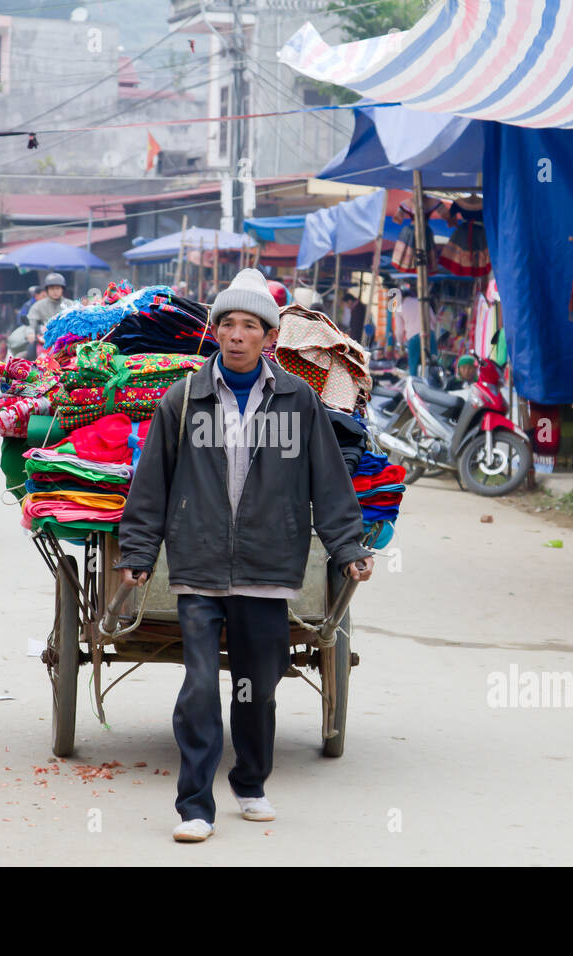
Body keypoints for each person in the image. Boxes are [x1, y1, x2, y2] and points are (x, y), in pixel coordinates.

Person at [116, 267, 375, 844]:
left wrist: (348, 545)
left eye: (250, 326)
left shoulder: (298, 400)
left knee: (257, 686)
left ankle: (251, 782)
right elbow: (151, 483)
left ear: (268, 337)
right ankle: (194, 804)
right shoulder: (182, 399)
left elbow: (329, 483)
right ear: (215, 332)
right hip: (199, 565)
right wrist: (137, 551)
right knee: (202, 686)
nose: (237, 335)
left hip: (267, 566)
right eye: (227, 324)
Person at [23, 273, 74, 361]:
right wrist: (30, 333)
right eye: (52, 289)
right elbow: (31, 322)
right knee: (29, 354)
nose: (55, 291)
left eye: (57, 288)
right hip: (45, 341)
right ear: (47, 290)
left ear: (62, 289)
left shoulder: (71, 304)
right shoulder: (38, 305)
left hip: (67, 341)